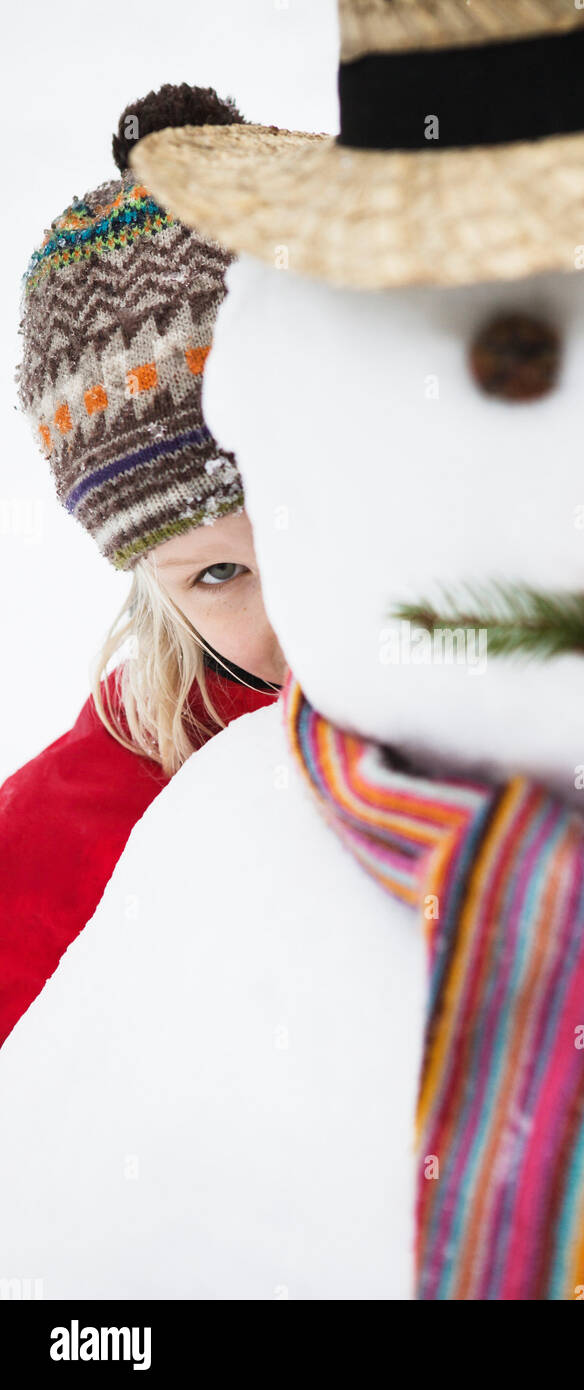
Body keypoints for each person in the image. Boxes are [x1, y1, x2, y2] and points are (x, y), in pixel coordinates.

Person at [0, 85, 286, 1047]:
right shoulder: (58, 840)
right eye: (218, 574)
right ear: (149, 582)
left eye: (308, 528)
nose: (295, 612)